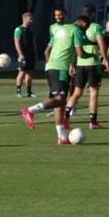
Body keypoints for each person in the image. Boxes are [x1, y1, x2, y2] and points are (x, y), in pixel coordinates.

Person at [21, 9, 86, 145]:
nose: (58, 17)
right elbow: (80, 53)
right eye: (56, 15)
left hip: (54, 68)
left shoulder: (54, 28)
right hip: (59, 69)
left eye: (60, 15)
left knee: (60, 103)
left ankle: (62, 137)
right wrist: (95, 56)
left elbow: (47, 50)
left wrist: (51, 63)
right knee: (59, 99)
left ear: (66, 15)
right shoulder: (76, 31)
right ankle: (31, 110)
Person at [65, 5, 109, 129]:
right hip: (93, 64)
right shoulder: (95, 27)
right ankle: (93, 122)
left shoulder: (74, 28)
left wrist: (71, 64)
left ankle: (66, 118)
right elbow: (101, 44)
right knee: (93, 92)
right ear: (93, 14)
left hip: (79, 64)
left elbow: (73, 48)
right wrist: (105, 59)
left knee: (77, 92)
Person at [14, 12, 37, 98]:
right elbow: (16, 42)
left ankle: (29, 91)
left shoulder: (31, 30)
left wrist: (35, 52)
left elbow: (33, 42)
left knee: (30, 73)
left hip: (31, 54)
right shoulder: (18, 29)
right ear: (25, 19)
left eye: (32, 19)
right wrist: (20, 54)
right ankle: (18, 90)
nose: (31, 20)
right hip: (23, 55)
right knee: (22, 72)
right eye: (30, 19)